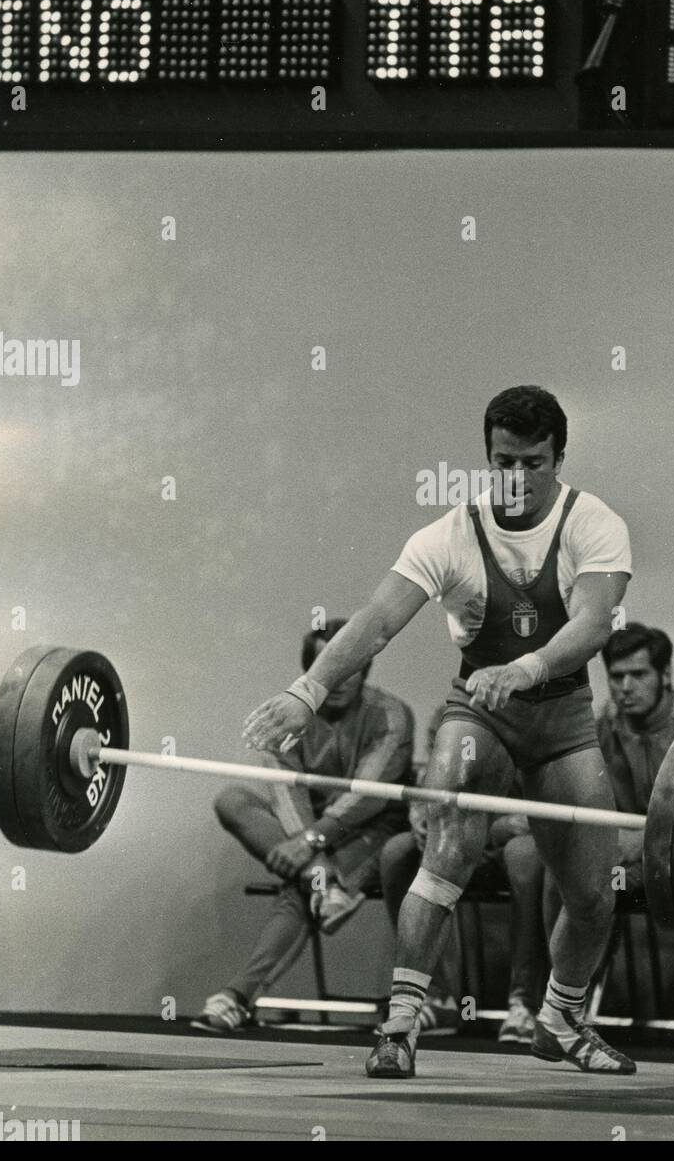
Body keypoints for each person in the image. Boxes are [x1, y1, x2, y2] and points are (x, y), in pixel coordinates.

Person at [245, 385, 636, 1077]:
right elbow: (376, 620)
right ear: (487, 456)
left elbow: (594, 623)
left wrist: (525, 669)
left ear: (559, 457)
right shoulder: (447, 536)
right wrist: (306, 692)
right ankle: (399, 1027)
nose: (515, 479)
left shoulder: (593, 523)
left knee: (591, 891)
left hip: (562, 718)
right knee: (446, 849)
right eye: (502, 461)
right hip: (478, 713)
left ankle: (559, 1020)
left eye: (533, 463)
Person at [194, 618, 414, 1033]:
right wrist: (314, 856)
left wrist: (310, 842)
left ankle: (237, 998)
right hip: (310, 837)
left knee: (302, 886)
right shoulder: (286, 717)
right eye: (329, 666)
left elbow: (369, 793)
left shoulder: (392, 715)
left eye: (350, 666)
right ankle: (323, 881)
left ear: (365, 667)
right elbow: (285, 792)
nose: (342, 678)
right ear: (310, 671)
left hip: (369, 833)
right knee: (232, 801)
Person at [568, 623, 674, 1055]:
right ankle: (567, 1000)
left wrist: (642, 839)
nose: (625, 687)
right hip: (627, 867)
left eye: (638, 675)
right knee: (568, 869)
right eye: (617, 676)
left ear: (665, 675)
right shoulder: (604, 721)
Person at [379, 704, 547, 1043]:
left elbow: (543, 808)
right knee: (397, 852)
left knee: (524, 856)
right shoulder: (447, 714)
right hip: (458, 838)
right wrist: (420, 814)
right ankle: (435, 996)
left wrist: (489, 830)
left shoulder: (541, 716)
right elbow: (432, 781)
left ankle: (525, 1002)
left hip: (510, 840)